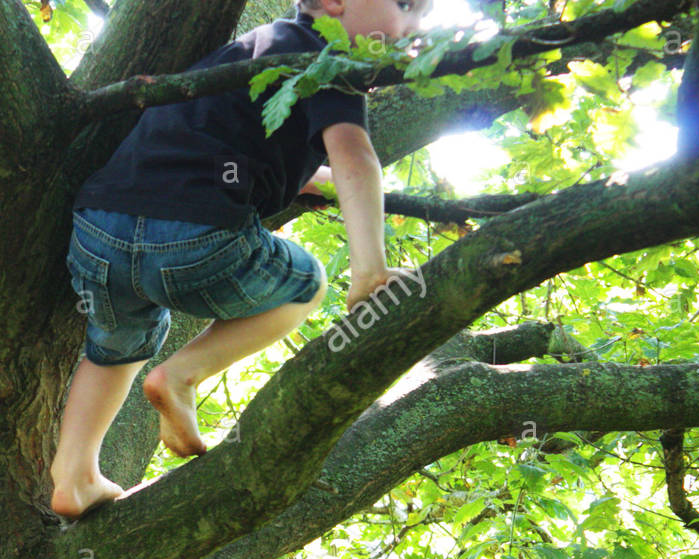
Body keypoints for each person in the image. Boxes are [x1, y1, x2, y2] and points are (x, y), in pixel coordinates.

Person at [50, 0, 431, 520]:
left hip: (100, 228)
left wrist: (301, 180)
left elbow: (228, 139)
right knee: (305, 282)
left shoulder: (254, 51)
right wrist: (370, 270)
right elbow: (355, 154)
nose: (415, 26)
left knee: (114, 348)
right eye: (407, 5)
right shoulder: (328, 62)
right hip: (192, 236)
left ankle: (74, 476)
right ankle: (182, 374)